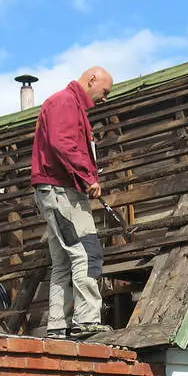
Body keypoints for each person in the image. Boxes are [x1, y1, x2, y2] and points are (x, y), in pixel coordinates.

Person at [31, 67, 114, 339]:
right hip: (62, 191)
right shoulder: (65, 102)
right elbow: (63, 143)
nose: (105, 99)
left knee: (63, 262)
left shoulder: (69, 105)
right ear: (92, 80)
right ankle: (87, 320)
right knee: (86, 252)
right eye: (105, 91)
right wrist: (87, 176)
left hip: (56, 190)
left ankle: (57, 325)